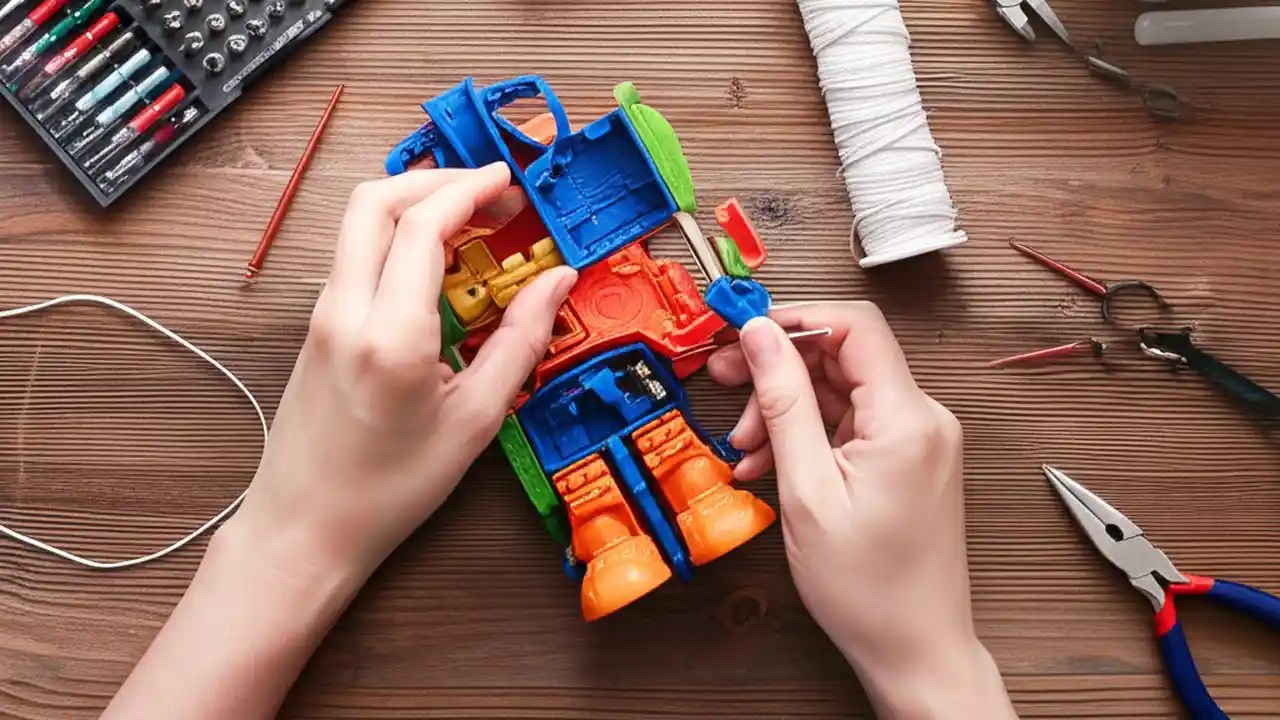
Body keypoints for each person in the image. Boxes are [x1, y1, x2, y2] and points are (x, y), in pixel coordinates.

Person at [103, 165, 1018, 719]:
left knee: (679, 463)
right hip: (564, 412)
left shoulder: (633, 275)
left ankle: (679, 511)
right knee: (599, 501)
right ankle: (620, 540)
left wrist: (288, 545)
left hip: (632, 392)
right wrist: (935, 667)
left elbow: (682, 317)